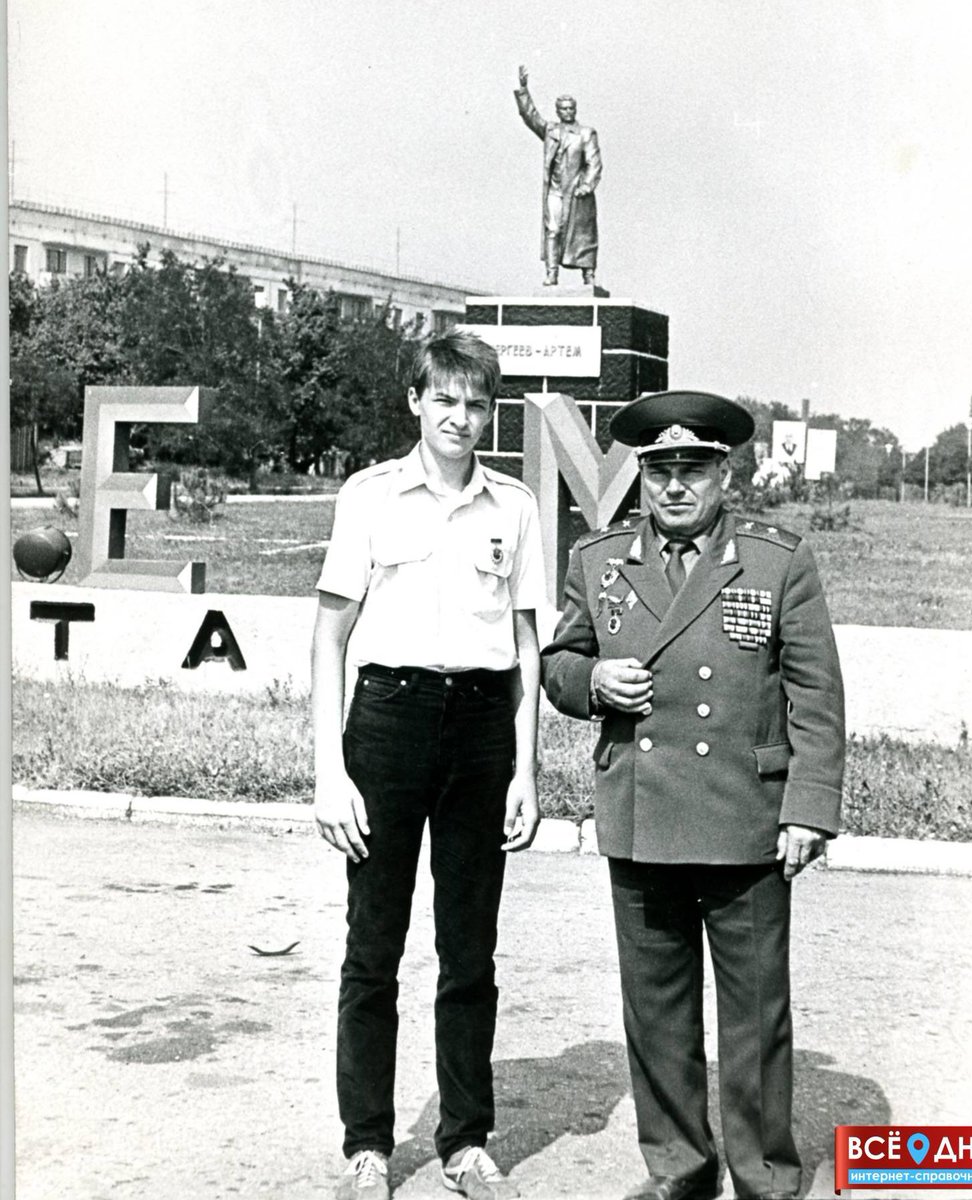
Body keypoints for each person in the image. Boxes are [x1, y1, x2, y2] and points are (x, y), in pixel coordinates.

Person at [541, 391, 845, 1200]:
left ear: (725, 475)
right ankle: (679, 1167)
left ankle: (765, 1175)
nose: (675, 487)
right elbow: (558, 663)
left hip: (745, 818)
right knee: (656, 1012)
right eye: (660, 471)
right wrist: (592, 681)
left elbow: (816, 697)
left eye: (694, 470)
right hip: (643, 816)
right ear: (642, 476)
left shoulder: (777, 560)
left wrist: (808, 809)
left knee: (755, 1015)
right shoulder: (601, 560)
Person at [311, 331, 544, 1200]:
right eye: (444, 399)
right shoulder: (370, 496)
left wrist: (526, 772)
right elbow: (330, 638)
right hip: (388, 723)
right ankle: (367, 1148)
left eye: (477, 403)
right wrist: (330, 772)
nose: (460, 417)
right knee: (372, 947)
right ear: (415, 401)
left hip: (481, 730)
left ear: (491, 413)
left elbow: (526, 646)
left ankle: (466, 1142)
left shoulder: (513, 506)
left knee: (469, 951)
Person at [514, 64, 602, 287]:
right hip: (554, 191)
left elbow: (594, 163)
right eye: (564, 109)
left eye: (571, 108)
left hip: (576, 193)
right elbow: (530, 116)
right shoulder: (551, 131)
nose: (568, 112)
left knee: (583, 236)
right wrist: (523, 89)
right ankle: (552, 273)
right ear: (558, 111)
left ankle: (588, 275)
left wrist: (586, 186)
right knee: (552, 231)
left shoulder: (585, 133)